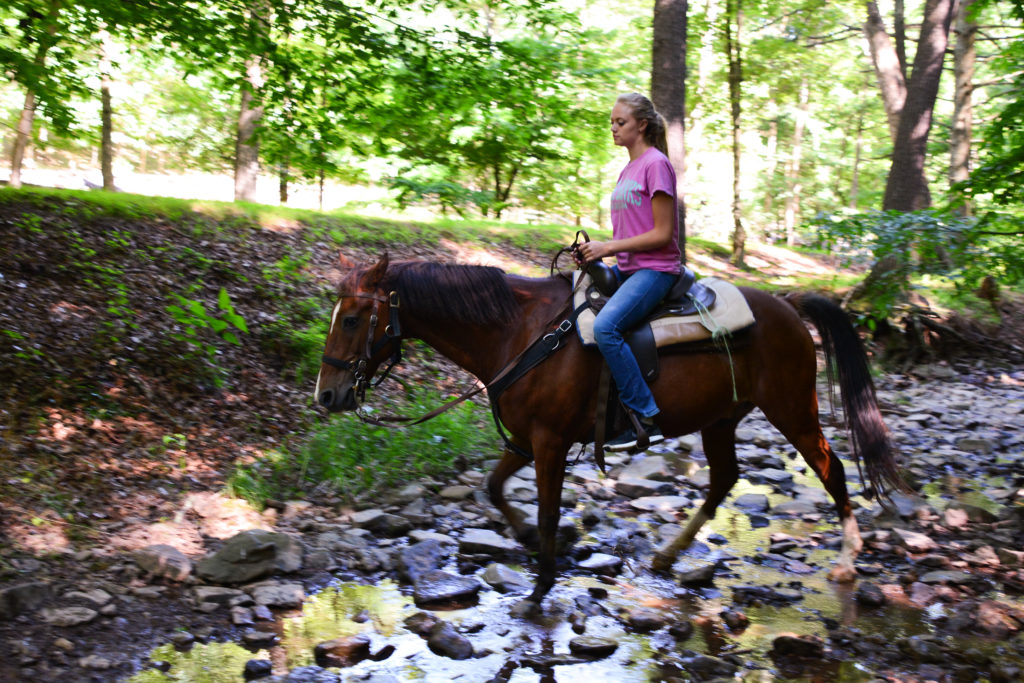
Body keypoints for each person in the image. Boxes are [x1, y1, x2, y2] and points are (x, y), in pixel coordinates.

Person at [576, 92, 681, 451]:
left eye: (620, 122)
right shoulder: (628, 168)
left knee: (606, 328)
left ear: (642, 125)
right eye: (611, 123)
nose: (614, 128)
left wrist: (607, 247)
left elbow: (662, 233)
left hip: (656, 270)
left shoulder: (656, 164)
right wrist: (594, 255)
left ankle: (646, 417)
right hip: (627, 269)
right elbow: (630, 230)